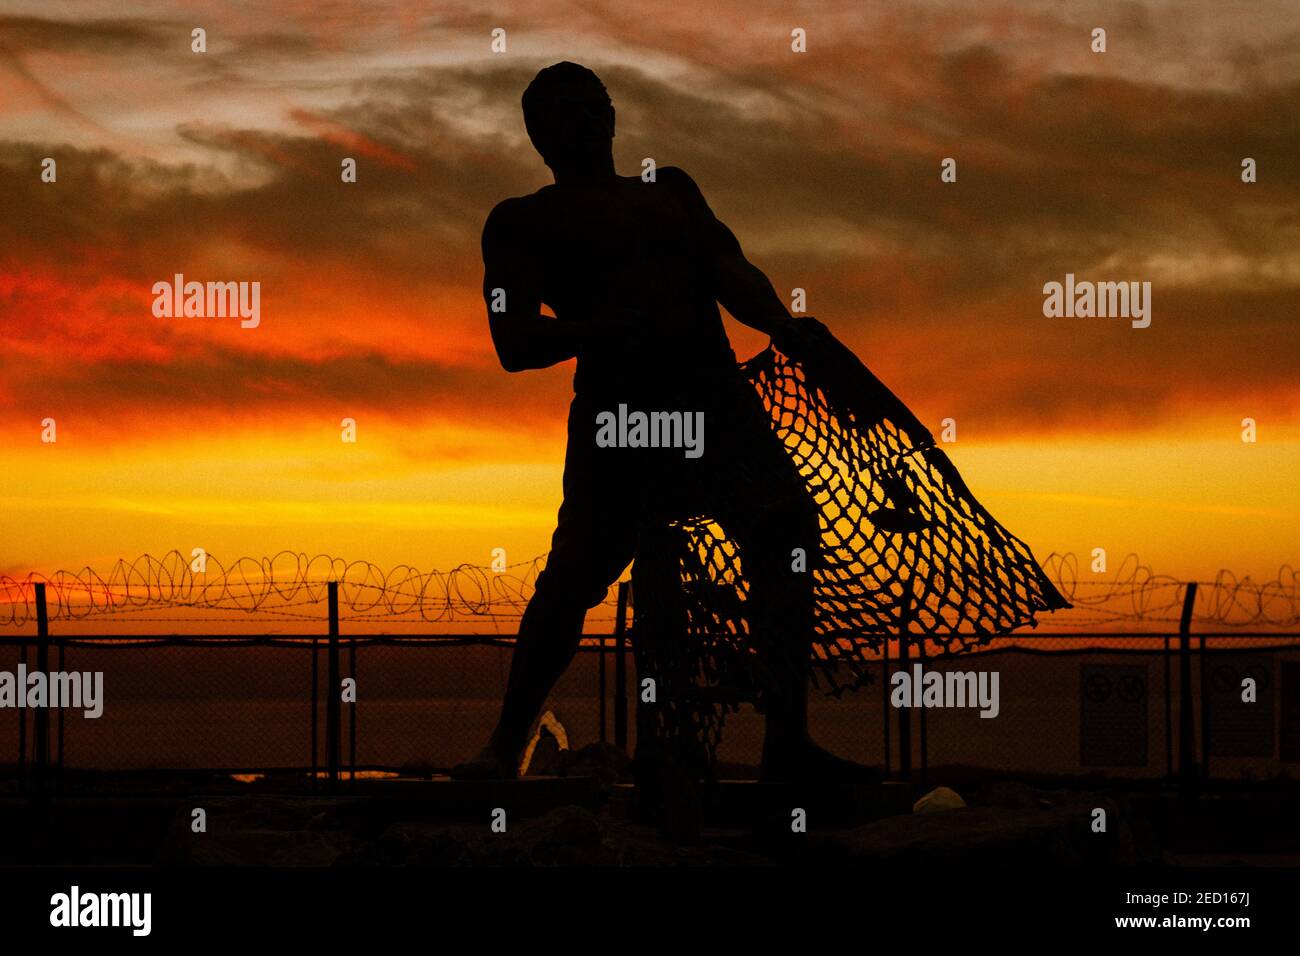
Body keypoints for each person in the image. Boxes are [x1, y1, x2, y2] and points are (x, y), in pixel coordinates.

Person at [451, 61, 875, 782]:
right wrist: (594, 327)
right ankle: (503, 746)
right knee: (574, 579)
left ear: (613, 118)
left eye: (592, 107)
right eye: (562, 113)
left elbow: (730, 268)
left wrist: (780, 324)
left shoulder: (671, 193)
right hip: (621, 421)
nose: (582, 122)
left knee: (785, 529)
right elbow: (512, 342)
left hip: (717, 403)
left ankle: (788, 744)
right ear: (536, 135)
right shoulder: (522, 222)